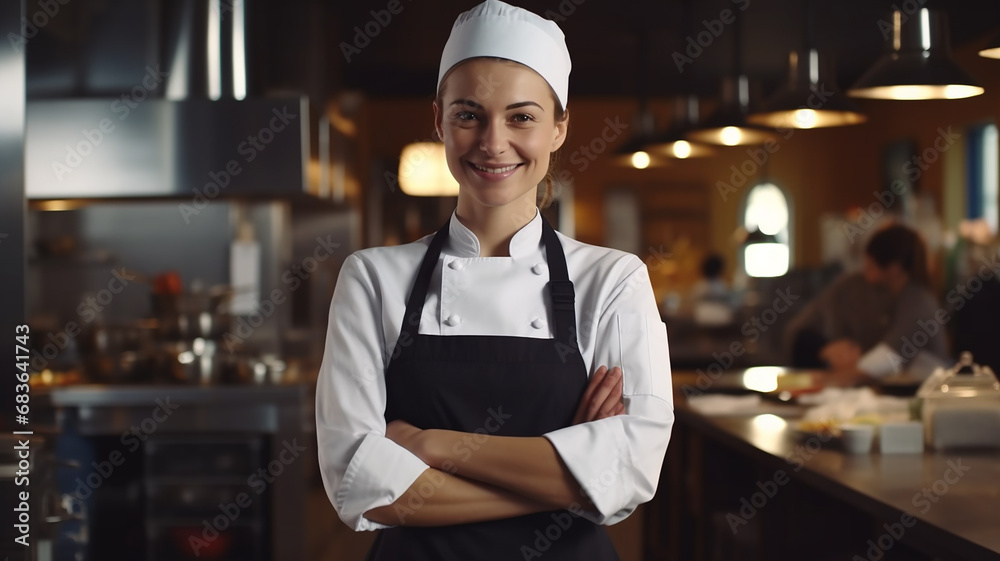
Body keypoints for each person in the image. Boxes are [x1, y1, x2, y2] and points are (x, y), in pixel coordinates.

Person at [314, 2, 674, 560]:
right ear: (439, 121)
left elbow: (629, 471)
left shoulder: (613, 280)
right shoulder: (372, 278)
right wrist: (570, 481)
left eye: (522, 117)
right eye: (469, 114)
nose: (493, 141)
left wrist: (429, 445)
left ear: (560, 127)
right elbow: (357, 483)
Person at [785, 223, 950, 384]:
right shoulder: (854, 287)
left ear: (894, 268)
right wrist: (826, 349)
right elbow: (800, 329)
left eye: (870, 265)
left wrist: (826, 381)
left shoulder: (919, 301)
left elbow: (886, 358)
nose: (864, 270)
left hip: (924, 392)